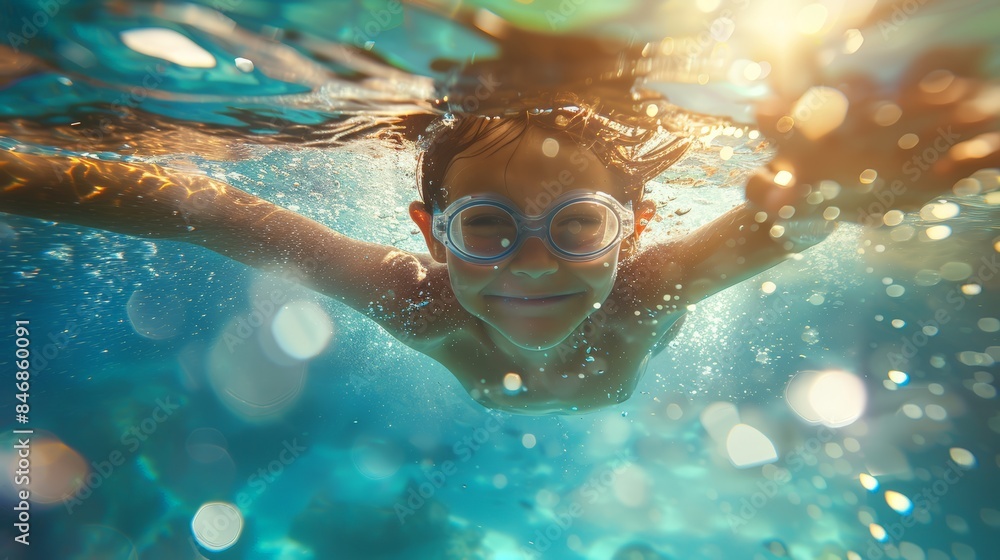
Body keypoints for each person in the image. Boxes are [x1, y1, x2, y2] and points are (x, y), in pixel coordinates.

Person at [1, 51, 996, 415]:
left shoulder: (644, 286)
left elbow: (780, 220)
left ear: (633, 229)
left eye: (576, 225)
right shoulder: (413, 295)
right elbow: (213, 209)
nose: (529, 262)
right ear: (430, 235)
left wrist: (846, 175)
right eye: (484, 226)